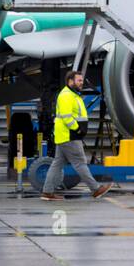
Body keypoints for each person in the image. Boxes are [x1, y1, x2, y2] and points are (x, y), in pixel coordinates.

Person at [41, 71, 111, 201]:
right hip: (70, 136)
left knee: (57, 164)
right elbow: (67, 118)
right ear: (70, 81)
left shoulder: (72, 95)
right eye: (79, 80)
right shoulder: (67, 96)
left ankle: (47, 192)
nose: (81, 82)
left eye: (82, 80)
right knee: (80, 163)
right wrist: (78, 129)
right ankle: (95, 189)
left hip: (65, 136)